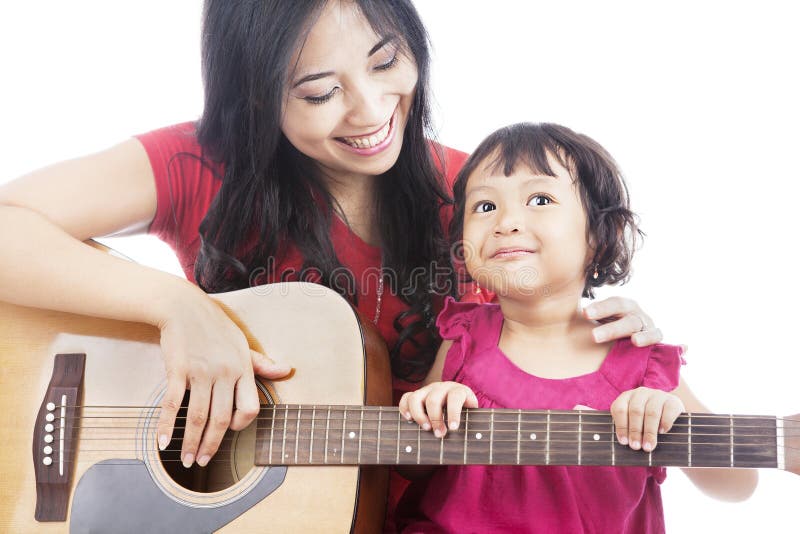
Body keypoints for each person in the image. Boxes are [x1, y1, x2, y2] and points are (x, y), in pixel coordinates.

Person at [0, 1, 663, 528]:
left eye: (386, 61)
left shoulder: (482, 203)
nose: (371, 110)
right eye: (320, 92)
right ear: (255, 97)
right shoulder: (200, 165)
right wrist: (179, 309)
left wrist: (610, 343)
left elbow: (549, 329)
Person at [397, 122, 758, 533]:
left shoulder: (640, 358)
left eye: (540, 199)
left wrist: (672, 423)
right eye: (484, 206)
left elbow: (739, 485)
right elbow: (409, 466)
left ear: (599, 237)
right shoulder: (463, 338)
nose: (506, 222)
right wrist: (430, 410)